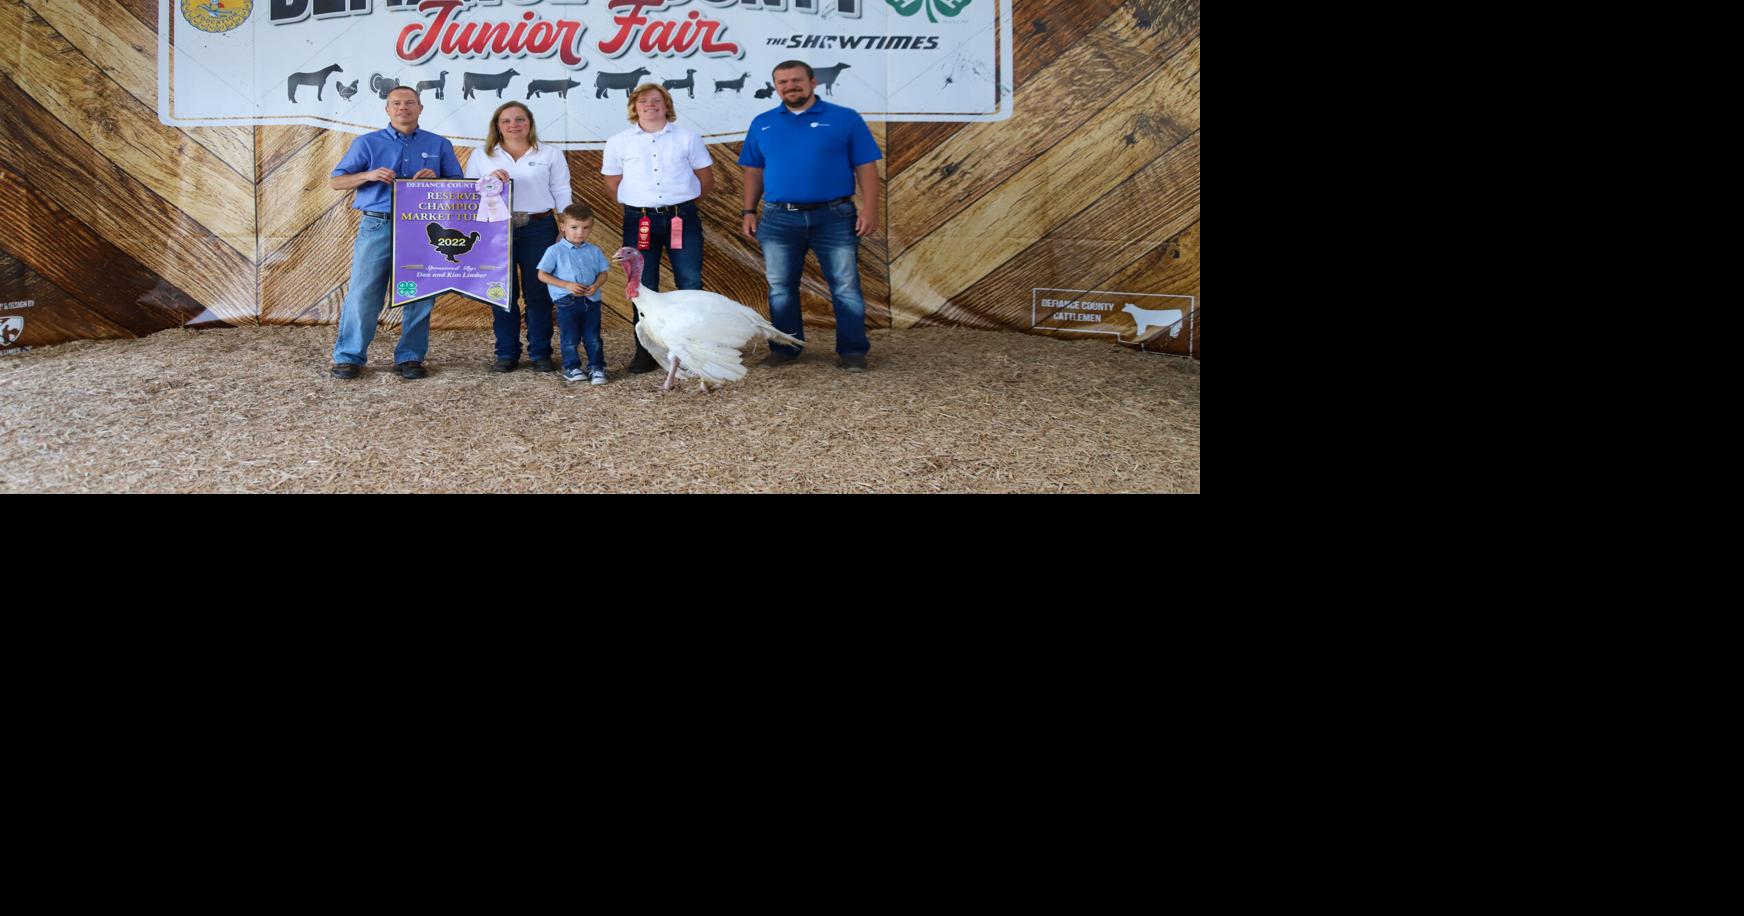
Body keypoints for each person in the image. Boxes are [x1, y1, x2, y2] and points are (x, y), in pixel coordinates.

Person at [738, 60, 882, 373]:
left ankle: (853, 351)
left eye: (796, 80)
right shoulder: (762, 122)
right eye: (782, 82)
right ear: (775, 87)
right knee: (779, 287)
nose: (790, 86)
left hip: (835, 216)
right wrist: (749, 210)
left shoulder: (845, 119)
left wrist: (871, 209)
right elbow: (753, 170)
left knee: (845, 286)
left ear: (813, 82)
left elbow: (866, 167)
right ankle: (786, 348)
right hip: (778, 218)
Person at [328, 86, 463, 380]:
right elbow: (336, 182)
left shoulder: (439, 144)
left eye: (410, 103)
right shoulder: (366, 143)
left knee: (420, 295)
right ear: (387, 109)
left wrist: (436, 180)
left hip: (423, 228)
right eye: (397, 103)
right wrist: (368, 175)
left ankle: (411, 357)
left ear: (420, 108)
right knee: (364, 292)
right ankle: (349, 356)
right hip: (378, 223)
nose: (404, 107)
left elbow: (458, 186)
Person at [602, 83, 714, 373]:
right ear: (634, 108)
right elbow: (612, 182)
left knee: (690, 282)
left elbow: (705, 179)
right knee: (641, 285)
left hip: (682, 219)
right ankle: (646, 351)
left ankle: (693, 351)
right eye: (643, 101)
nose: (650, 105)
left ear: (667, 105)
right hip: (639, 220)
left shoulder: (688, 138)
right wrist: (640, 203)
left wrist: (680, 204)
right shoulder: (619, 141)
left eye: (656, 100)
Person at [464, 101, 574, 373]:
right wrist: (487, 180)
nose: (514, 125)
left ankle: (540, 353)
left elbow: (561, 189)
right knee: (501, 292)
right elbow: (467, 192)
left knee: (538, 292)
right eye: (507, 121)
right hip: (495, 228)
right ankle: (506, 352)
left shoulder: (550, 153)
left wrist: (566, 224)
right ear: (497, 126)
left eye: (520, 119)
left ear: (530, 123)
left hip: (539, 226)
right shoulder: (483, 155)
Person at [536, 204, 613, 385]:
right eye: (574, 227)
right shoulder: (554, 251)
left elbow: (603, 273)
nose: (580, 232)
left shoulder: (594, 251)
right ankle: (572, 368)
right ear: (563, 226)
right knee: (570, 338)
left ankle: (597, 368)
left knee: (593, 337)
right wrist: (566, 285)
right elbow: (542, 274)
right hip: (566, 302)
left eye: (585, 228)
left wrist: (595, 285)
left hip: (591, 300)